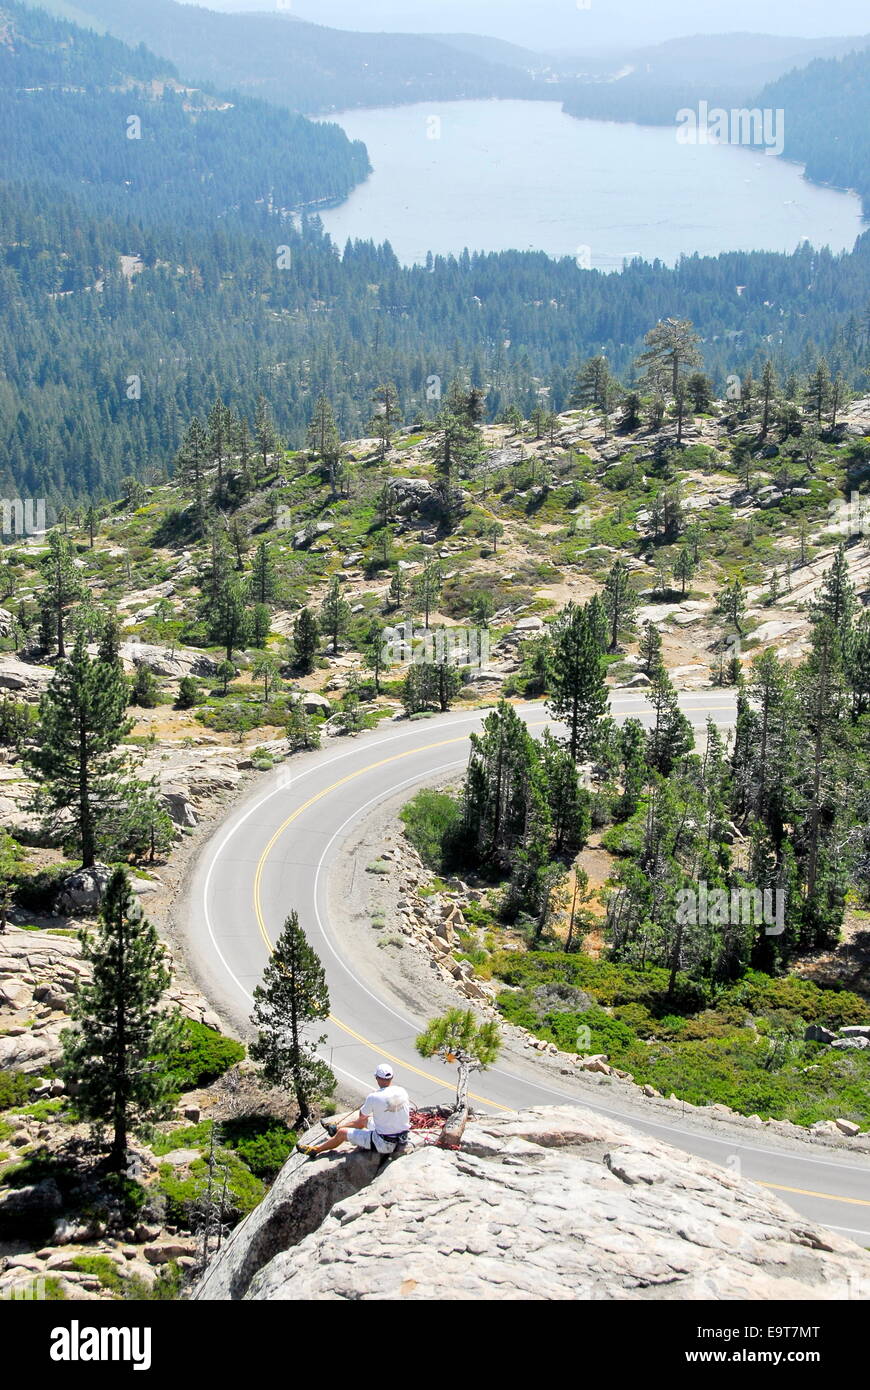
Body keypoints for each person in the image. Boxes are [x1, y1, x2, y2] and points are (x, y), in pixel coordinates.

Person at [298, 1062, 411, 1158]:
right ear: (391, 1078)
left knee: (343, 1133)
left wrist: (372, 1102)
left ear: (377, 1078)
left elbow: (362, 1115)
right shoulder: (402, 1091)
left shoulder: (374, 1096)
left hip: (384, 1143)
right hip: (402, 1138)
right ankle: (335, 1128)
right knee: (364, 1122)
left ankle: (316, 1150)